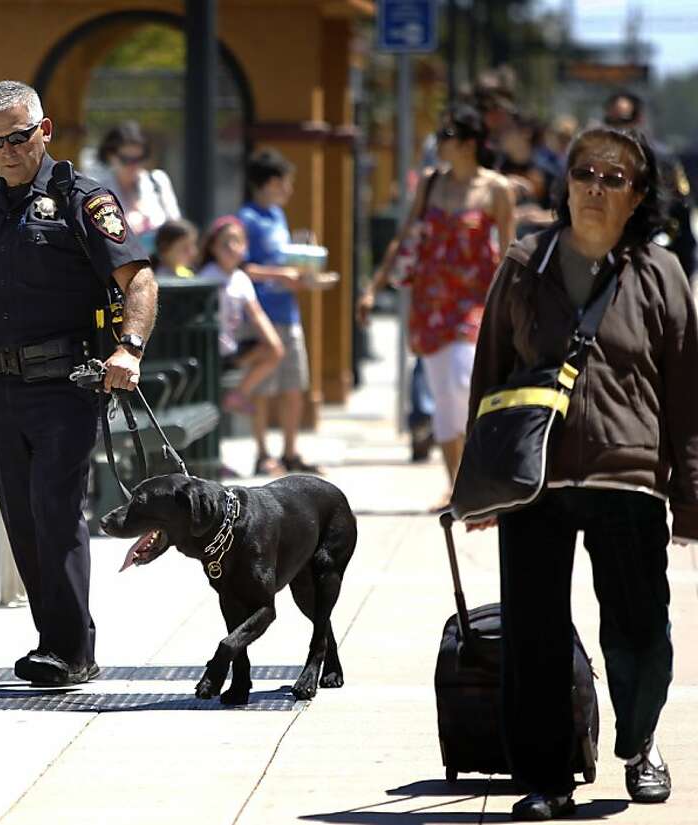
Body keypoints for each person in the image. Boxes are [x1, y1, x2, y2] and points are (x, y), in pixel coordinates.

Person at [468, 125, 697, 820]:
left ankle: (640, 739)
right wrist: (476, 483)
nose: (596, 187)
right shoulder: (524, 262)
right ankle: (545, 775)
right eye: (585, 173)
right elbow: (492, 371)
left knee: (639, 626)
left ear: (638, 197)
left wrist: (689, 496)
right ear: (564, 184)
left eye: (615, 177)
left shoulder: (661, 274)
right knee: (533, 630)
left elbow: (687, 395)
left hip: (625, 476)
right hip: (534, 477)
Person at [0, 80, 157, 687]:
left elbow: (140, 280)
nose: (9, 151)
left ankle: (70, 649)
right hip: (0, 389)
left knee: (56, 507)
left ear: (44, 131)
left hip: (69, 384)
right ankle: (55, 642)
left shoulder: (82, 201)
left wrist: (130, 347)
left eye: (20, 137)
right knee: (19, 514)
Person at [357, 103, 515, 509]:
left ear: (467, 143)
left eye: (446, 137)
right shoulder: (430, 184)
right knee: (443, 393)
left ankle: (480, 474)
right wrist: (373, 288)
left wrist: (516, 303)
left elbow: (510, 251)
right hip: (430, 301)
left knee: (465, 381)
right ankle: (456, 484)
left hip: (474, 301)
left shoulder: (496, 189)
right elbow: (404, 237)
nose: (438, 144)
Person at [237, 148, 328, 476]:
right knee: (263, 391)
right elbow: (243, 267)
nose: (289, 190)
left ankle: (290, 452)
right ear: (272, 182)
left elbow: (279, 258)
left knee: (293, 385)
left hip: (288, 313)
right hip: (260, 316)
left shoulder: (278, 215)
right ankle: (262, 453)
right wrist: (282, 276)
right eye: (286, 183)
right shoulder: (246, 218)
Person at [603, 90, 696, 282]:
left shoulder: (663, 159)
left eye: (623, 121)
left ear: (638, 120)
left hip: (654, 258)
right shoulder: (595, 161)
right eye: (611, 122)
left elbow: (680, 211)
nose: (617, 129)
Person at [195, 215, 283, 416]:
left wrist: (273, 343)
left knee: (272, 352)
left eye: (237, 241)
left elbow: (257, 314)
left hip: (229, 350)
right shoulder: (207, 275)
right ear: (213, 247)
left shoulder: (241, 278)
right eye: (225, 242)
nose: (232, 247)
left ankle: (238, 394)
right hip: (208, 351)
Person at [95, 120, 181, 254]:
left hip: (161, 269)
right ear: (110, 156)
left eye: (139, 159)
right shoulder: (98, 189)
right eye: (126, 159)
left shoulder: (157, 181)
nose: (133, 166)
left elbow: (175, 226)